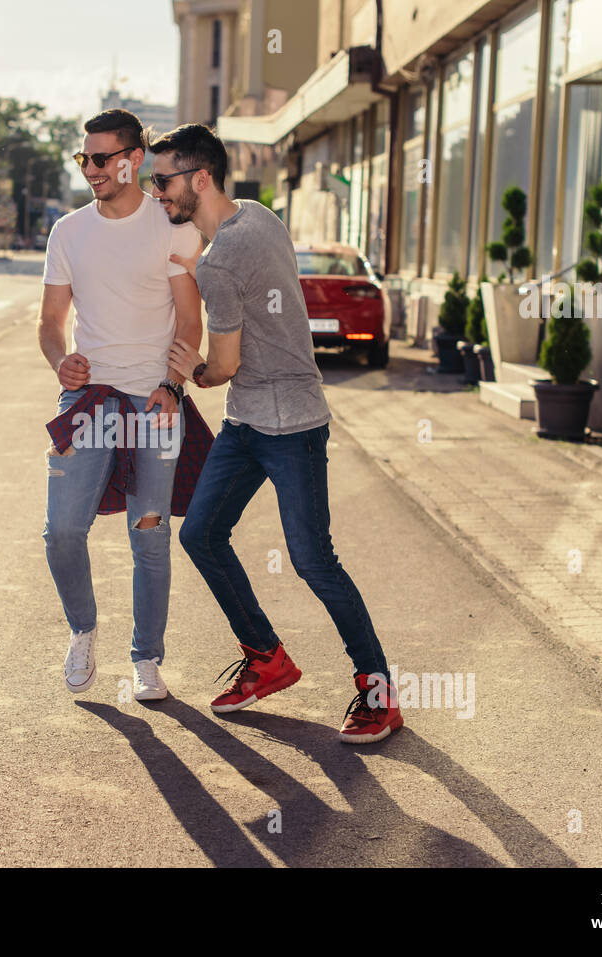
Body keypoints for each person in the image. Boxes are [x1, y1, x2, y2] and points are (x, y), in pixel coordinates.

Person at [149, 124, 403, 743]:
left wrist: (190, 375)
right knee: (203, 533)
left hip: (289, 424)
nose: (156, 193)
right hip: (248, 420)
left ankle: (379, 692)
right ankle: (267, 658)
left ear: (198, 179)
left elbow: (226, 363)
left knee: (314, 560)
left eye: (162, 180)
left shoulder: (220, 262)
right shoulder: (261, 216)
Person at [39, 109, 211, 701]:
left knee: (150, 533)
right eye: (81, 158)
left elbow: (190, 321)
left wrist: (174, 385)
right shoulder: (68, 231)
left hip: (155, 401)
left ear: (132, 159)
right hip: (89, 400)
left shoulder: (172, 230)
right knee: (62, 531)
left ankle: (146, 659)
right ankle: (83, 628)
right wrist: (59, 359)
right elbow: (50, 324)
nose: (88, 169)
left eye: (98, 158)